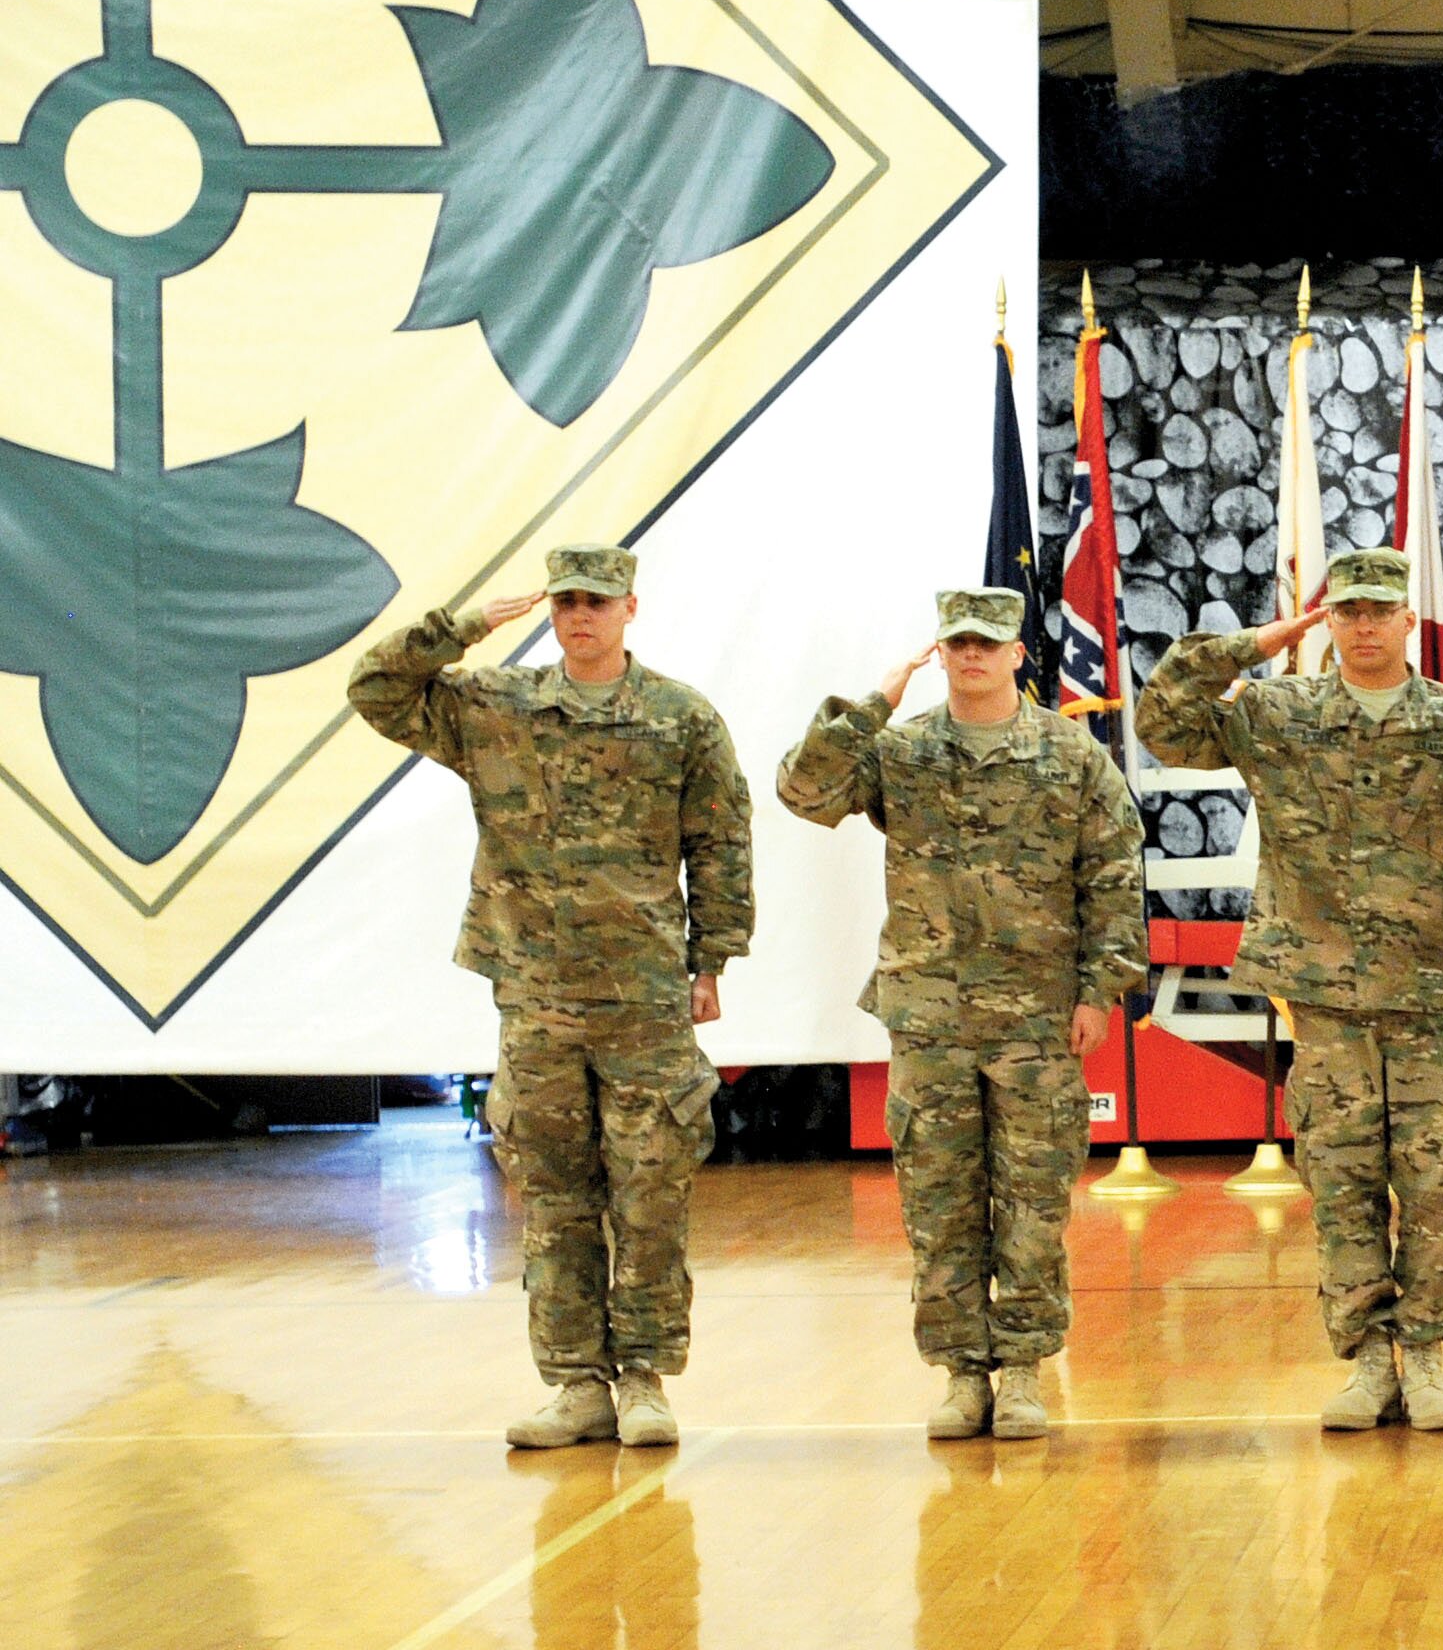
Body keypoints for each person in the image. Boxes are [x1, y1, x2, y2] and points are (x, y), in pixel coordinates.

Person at [350, 545, 753, 1451]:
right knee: (554, 1193)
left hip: (643, 991)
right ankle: (576, 1384)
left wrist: (712, 961)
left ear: (629, 608)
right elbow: (374, 690)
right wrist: (462, 626)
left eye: (597, 602)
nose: (580, 616)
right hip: (535, 992)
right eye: (567, 601)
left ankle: (643, 1379)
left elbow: (721, 840)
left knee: (650, 1189)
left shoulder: (680, 718)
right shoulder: (499, 707)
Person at [1137, 548, 1443, 1434]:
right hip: (1324, 998)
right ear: (1328, 621)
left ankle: (1426, 1355)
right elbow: (1163, 722)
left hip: (1434, 995)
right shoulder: (1278, 715)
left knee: (1433, 1183)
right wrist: (1249, 645)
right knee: (1342, 1180)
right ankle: (1366, 1359)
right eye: (1348, 612)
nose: (1363, 627)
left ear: (1408, 621)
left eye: (1378, 612)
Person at [777, 588, 1146, 1440]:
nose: (972, 656)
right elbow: (805, 791)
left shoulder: (1069, 753)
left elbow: (1113, 872)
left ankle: (1022, 1370)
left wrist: (1099, 989)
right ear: (939, 653)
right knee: (939, 1202)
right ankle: (961, 1373)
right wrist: (870, 707)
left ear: (1018, 653)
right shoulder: (901, 751)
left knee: (1032, 1202)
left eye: (987, 643)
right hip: (931, 1013)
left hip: (1037, 1017)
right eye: (958, 643)